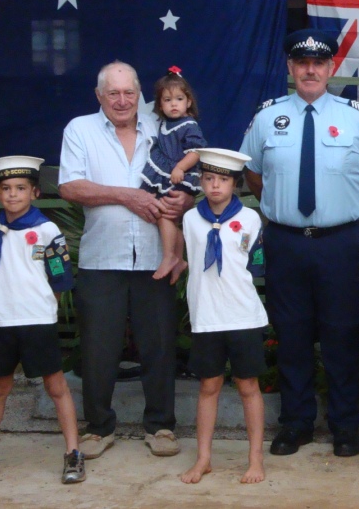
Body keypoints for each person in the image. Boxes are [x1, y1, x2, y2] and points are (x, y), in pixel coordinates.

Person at [240, 29, 359, 458]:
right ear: (290, 68)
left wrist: (341, 204)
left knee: (341, 335)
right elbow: (252, 174)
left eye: (318, 63)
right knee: (292, 335)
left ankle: (345, 426)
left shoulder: (356, 117)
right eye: (301, 63)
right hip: (285, 241)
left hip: (339, 242)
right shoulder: (267, 117)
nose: (310, 70)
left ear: (330, 69)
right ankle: (296, 423)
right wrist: (277, 205)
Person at [59, 61, 193, 460]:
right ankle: (98, 428)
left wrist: (187, 197)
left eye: (129, 92)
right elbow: (70, 186)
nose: (122, 100)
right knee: (99, 348)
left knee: (159, 344)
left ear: (140, 94)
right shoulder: (80, 129)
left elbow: (191, 171)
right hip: (103, 257)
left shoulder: (163, 125)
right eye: (113, 93)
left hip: (157, 256)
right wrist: (127, 195)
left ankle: (161, 426)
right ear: (99, 96)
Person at [0, 156, 84, 485]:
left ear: (35, 192)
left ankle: (73, 453)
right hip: (1, 322)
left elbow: (59, 277)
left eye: (21, 188)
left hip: (37, 321)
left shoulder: (46, 230)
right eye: (6, 188)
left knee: (56, 387)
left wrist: (41, 308)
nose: (13, 195)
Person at [179, 148, 268, 485]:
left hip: (242, 315)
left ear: (235, 183)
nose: (215, 186)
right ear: (201, 181)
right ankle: (203, 458)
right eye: (209, 178)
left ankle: (255, 458)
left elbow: (255, 264)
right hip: (206, 316)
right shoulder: (190, 219)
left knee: (248, 386)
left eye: (223, 180)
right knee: (208, 385)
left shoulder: (249, 218)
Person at [140, 66, 207, 283]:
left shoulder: (188, 125)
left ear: (188, 102)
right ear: (160, 105)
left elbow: (196, 152)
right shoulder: (165, 124)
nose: (173, 104)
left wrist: (179, 168)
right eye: (167, 100)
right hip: (169, 173)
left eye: (179, 99)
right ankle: (178, 258)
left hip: (179, 175)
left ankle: (169, 256)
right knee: (171, 218)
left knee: (164, 214)